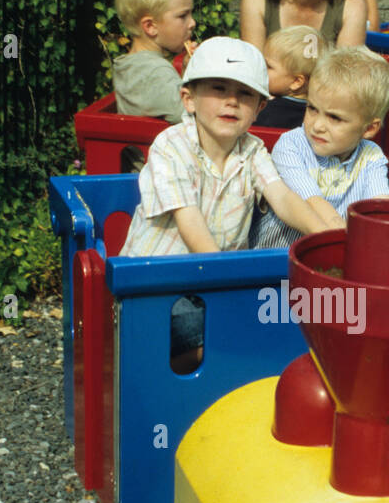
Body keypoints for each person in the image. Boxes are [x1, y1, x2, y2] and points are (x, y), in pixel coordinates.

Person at [120, 38, 330, 367]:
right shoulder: (172, 146)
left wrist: (325, 237)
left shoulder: (252, 150)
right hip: (157, 287)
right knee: (227, 336)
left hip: (215, 285)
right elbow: (190, 222)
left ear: (259, 108)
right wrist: (227, 285)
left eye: (245, 94)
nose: (232, 101)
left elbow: (283, 198)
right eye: (218, 89)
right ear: (188, 99)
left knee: (288, 317)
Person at [253, 46, 389, 249]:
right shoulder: (292, 144)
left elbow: (380, 207)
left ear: (369, 128)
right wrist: (352, 248)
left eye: (334, 118)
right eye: (312, 108)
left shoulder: (370, 156)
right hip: (277, 257)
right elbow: (313, 203)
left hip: (336, 253)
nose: (318, 126)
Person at [112, 0, 195, 120]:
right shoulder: (155, 74)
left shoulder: (134, 66)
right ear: (150, 26)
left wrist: (187, 71)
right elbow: (194, 114)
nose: (192, 23)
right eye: (183, 16)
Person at [255, 26, 326, 130]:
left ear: (296, 81)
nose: (262, 69)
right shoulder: (318, 116)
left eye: (269, 66)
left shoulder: (265, 113)